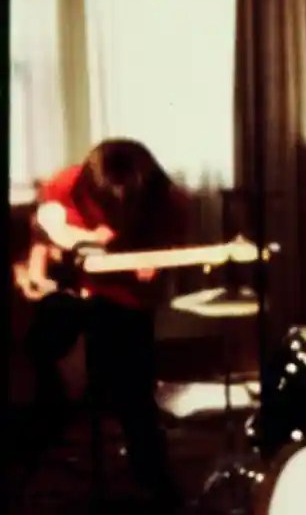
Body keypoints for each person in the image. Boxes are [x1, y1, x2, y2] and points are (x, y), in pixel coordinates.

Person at [14, 138, 189, 510]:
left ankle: (152, 480)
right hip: (71, 291)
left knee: (133, 391)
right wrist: (37, 269)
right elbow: (42, 234)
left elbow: (161, 266)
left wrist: (151, 268)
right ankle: (30, 458)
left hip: (123, 299)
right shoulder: (66, 184)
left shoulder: (169, 200)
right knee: (45, 354)